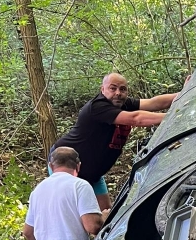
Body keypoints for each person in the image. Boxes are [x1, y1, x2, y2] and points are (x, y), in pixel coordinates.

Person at [51, 72, 178, 210]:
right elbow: (136, 118)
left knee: (105, 213)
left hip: (93, 173)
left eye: (122, 89)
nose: (118, 93)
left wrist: (185, 92)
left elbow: (153, 103)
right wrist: (176, 114)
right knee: (71, 212)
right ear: (102, 89)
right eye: (113, 88)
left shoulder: (123, 103)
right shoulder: (98, 106)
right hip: (66, 165)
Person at [23, 147, 109, 240]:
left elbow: (28, 234)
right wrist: (104, 217)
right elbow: (93, 226)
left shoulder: (38, 190)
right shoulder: (80, 186)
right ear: (78, 166)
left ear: (51, 166)